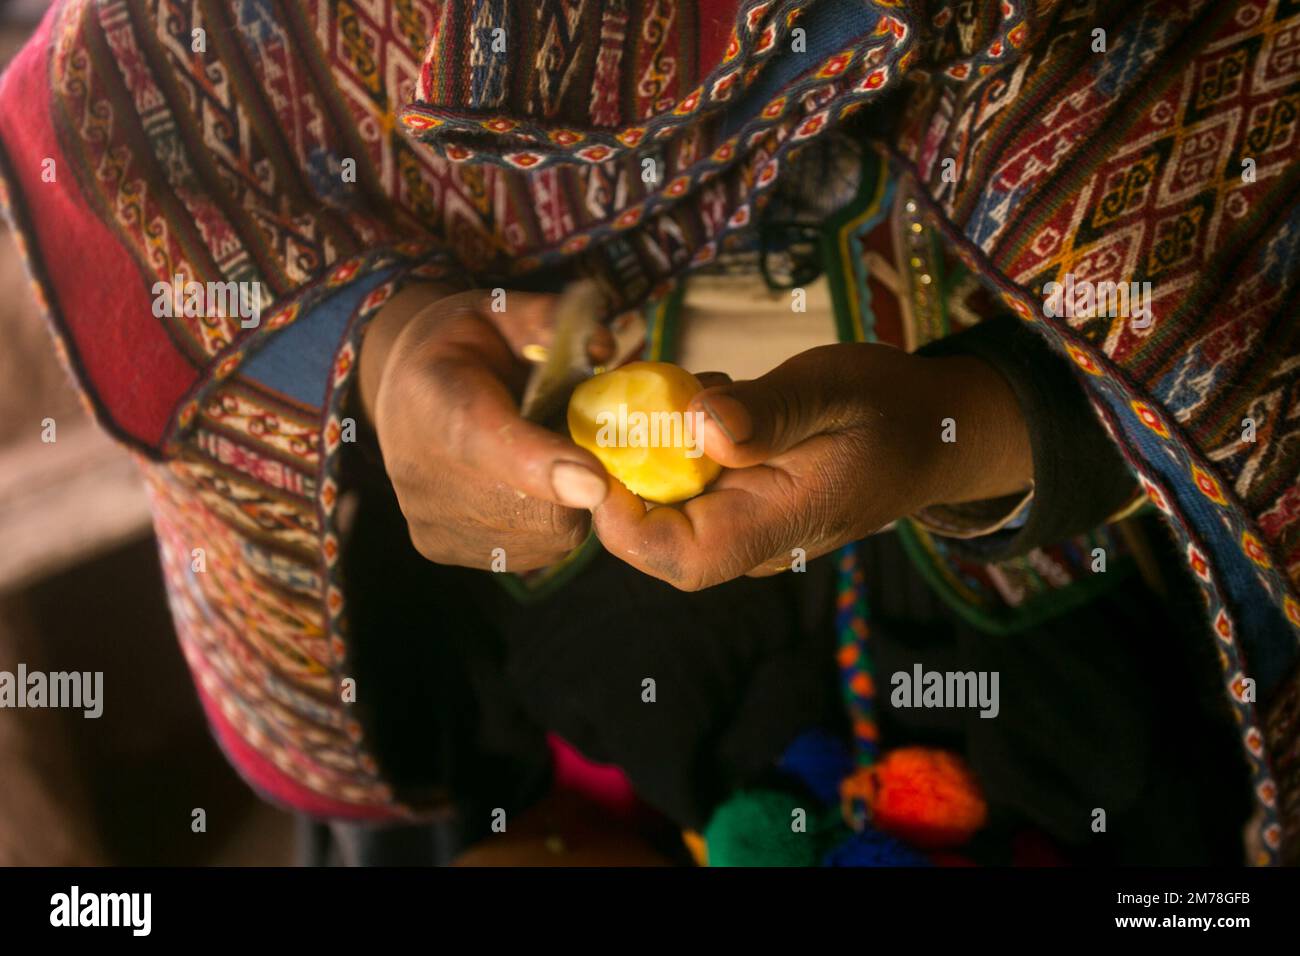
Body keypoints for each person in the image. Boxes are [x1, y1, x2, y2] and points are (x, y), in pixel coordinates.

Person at [0, 0, 1295, 865]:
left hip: (1102, 638)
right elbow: (128, 148)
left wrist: (971, 429)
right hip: (592, 677)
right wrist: (385, 352)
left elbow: (1248, 242)